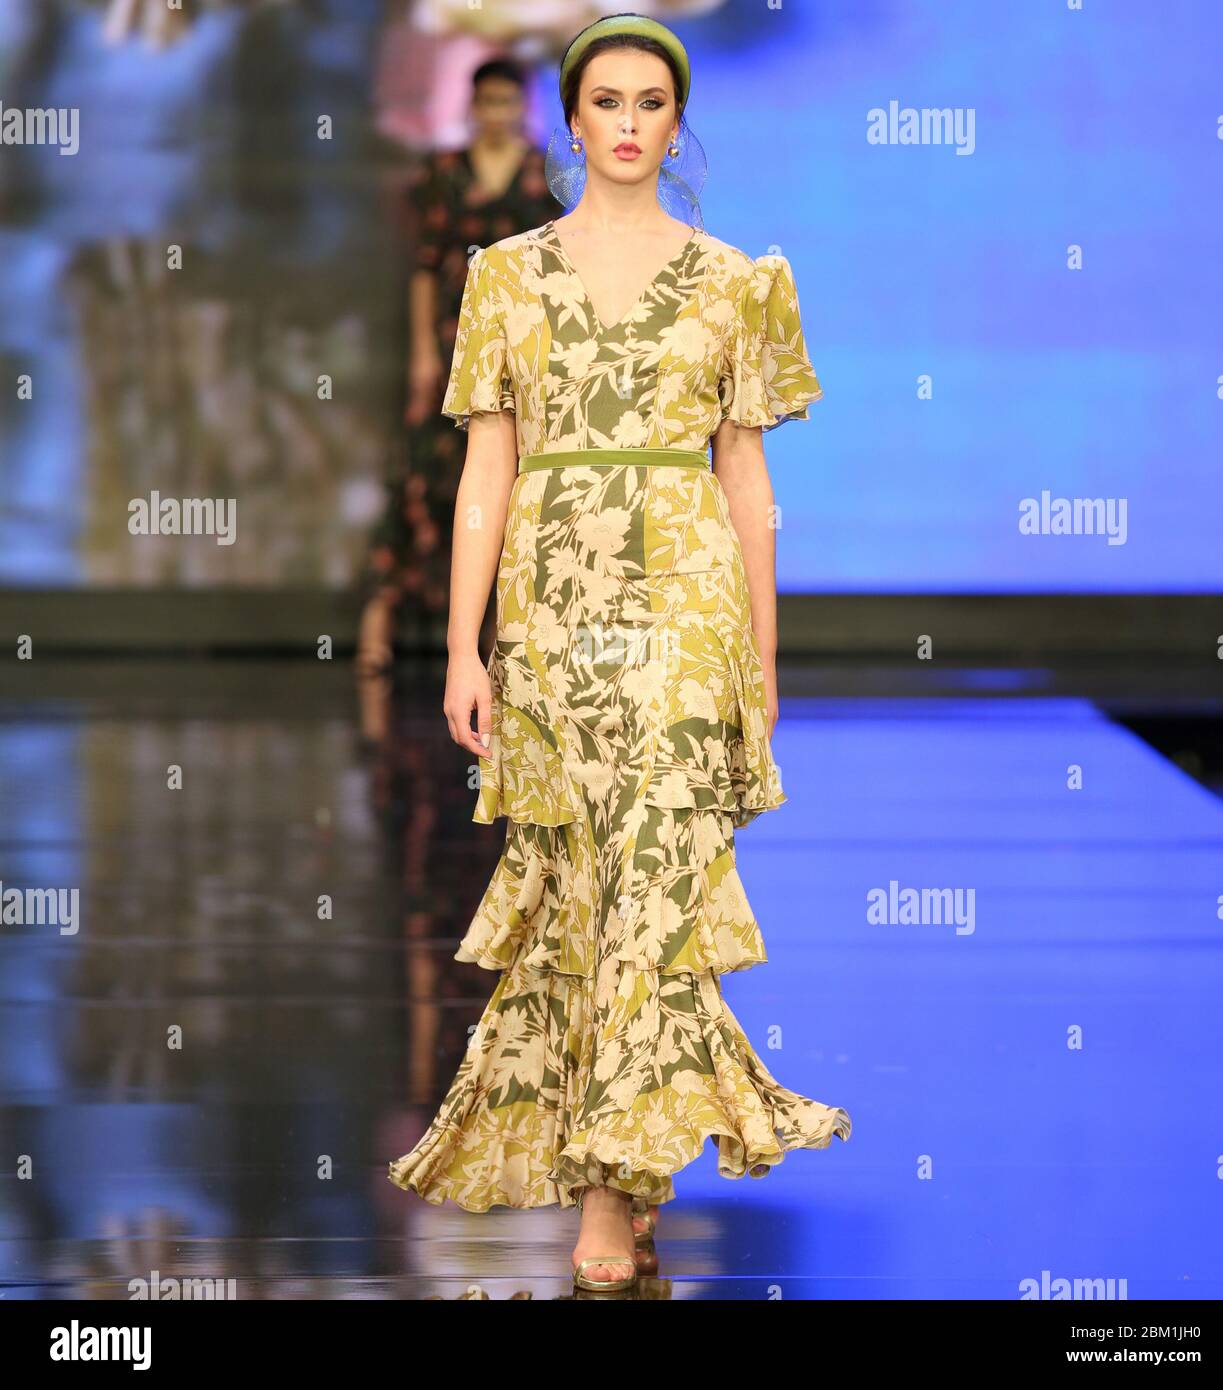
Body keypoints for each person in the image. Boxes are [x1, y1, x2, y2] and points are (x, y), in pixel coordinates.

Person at [387, 12, 851, 1294]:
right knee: (583, 886)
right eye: (608, 100)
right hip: (548, 610)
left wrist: (762, 652)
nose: (632, 121)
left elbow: (748, 482)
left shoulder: (735, 280)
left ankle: (602, 1201)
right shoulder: (505, 276)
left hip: (687, 611)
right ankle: (634, 1172)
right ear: (572, 121)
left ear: (676, 122)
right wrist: (462, 643)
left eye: (653, 100)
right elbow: (488, 469)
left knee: (656, 869)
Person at [357, 57, 562, 671]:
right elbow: (425, 265)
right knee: (425, 477)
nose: (496, 114)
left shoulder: (541, 176)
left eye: (507, 102)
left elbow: (554, 273)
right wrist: (424, 352)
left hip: (518, 348)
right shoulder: (443, 173)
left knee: (514, 485)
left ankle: (502, 644)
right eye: (486, 102)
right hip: (451, 344)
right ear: (471, 105)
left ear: (522, 106)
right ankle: (379, 633)